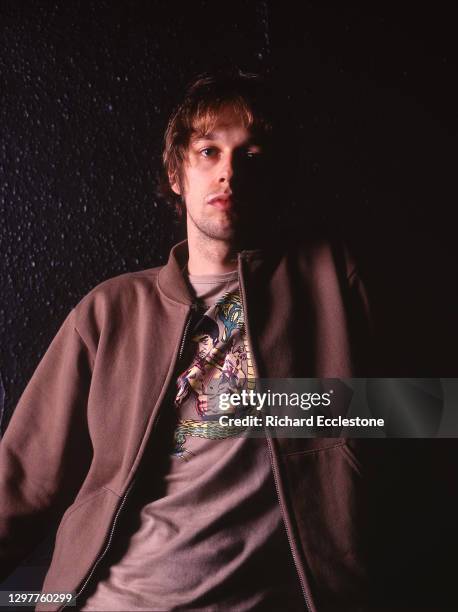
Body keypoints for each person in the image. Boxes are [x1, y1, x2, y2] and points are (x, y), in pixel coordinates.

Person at [1, 71, 454, 612]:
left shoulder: (335, 283)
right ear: (176, 174)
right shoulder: (111, 310)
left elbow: (430, 420)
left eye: (251, 155)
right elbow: (22, 481)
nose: (229, 173)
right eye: (208, 152)